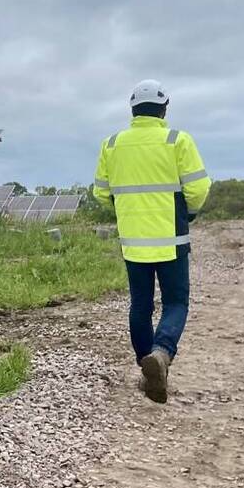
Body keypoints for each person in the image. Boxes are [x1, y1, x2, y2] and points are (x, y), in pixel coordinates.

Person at [92, 80, 211, 403]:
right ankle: (161, 353)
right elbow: (199, 189)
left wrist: (127, 211)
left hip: (133, 242)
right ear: (164, 109)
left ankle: (147, 365)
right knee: (175, 302)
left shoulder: (112, 144)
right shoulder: (177, 140)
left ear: (133, 110)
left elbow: (101, 193)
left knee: (141, 305)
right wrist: (191, 212)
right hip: (172, 240)